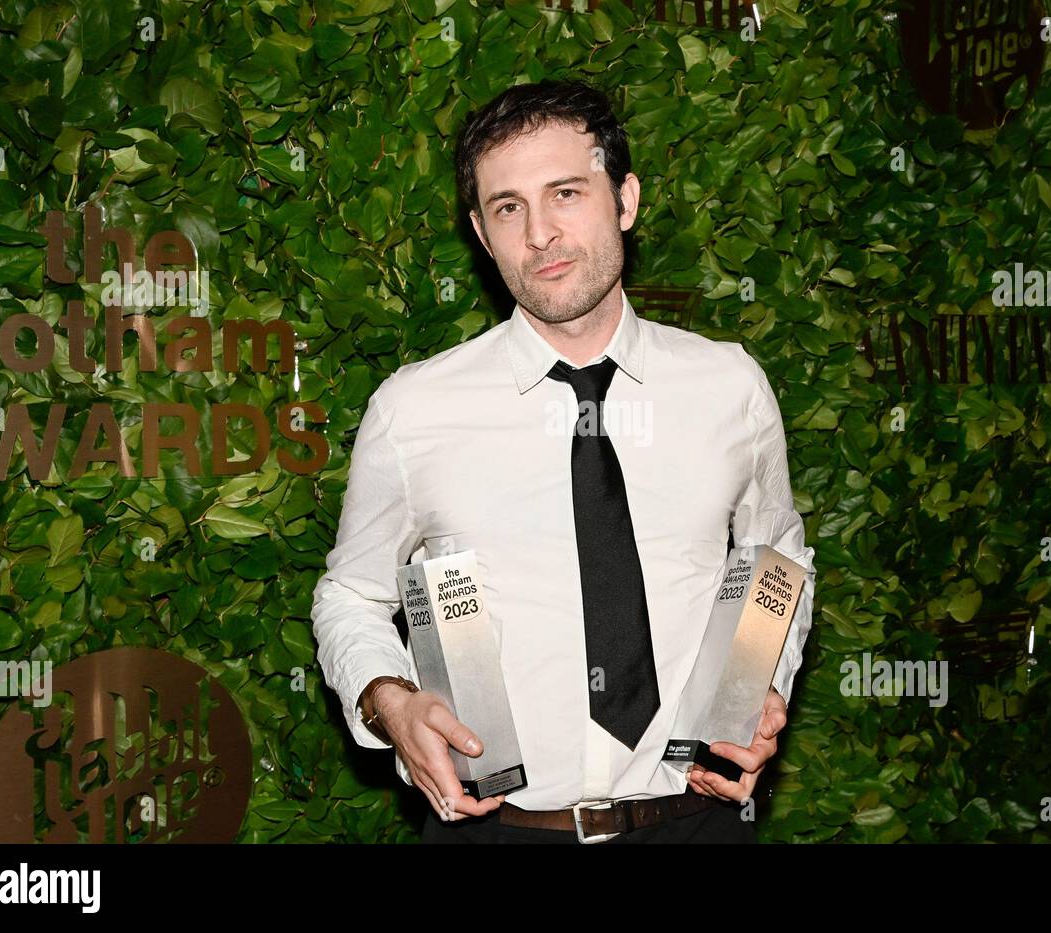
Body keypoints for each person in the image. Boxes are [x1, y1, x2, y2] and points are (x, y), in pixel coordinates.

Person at [311, 79, 815, 844]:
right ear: (483, 233)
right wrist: (390, 699)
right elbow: (350, 593)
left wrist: (760, 686)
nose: (540, 233)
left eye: (567, 193)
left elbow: (776, 558)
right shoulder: (414, 410)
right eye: (509, 207)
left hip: (695, 822)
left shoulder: (729, 386)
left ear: (626, 199)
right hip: (495, 828)